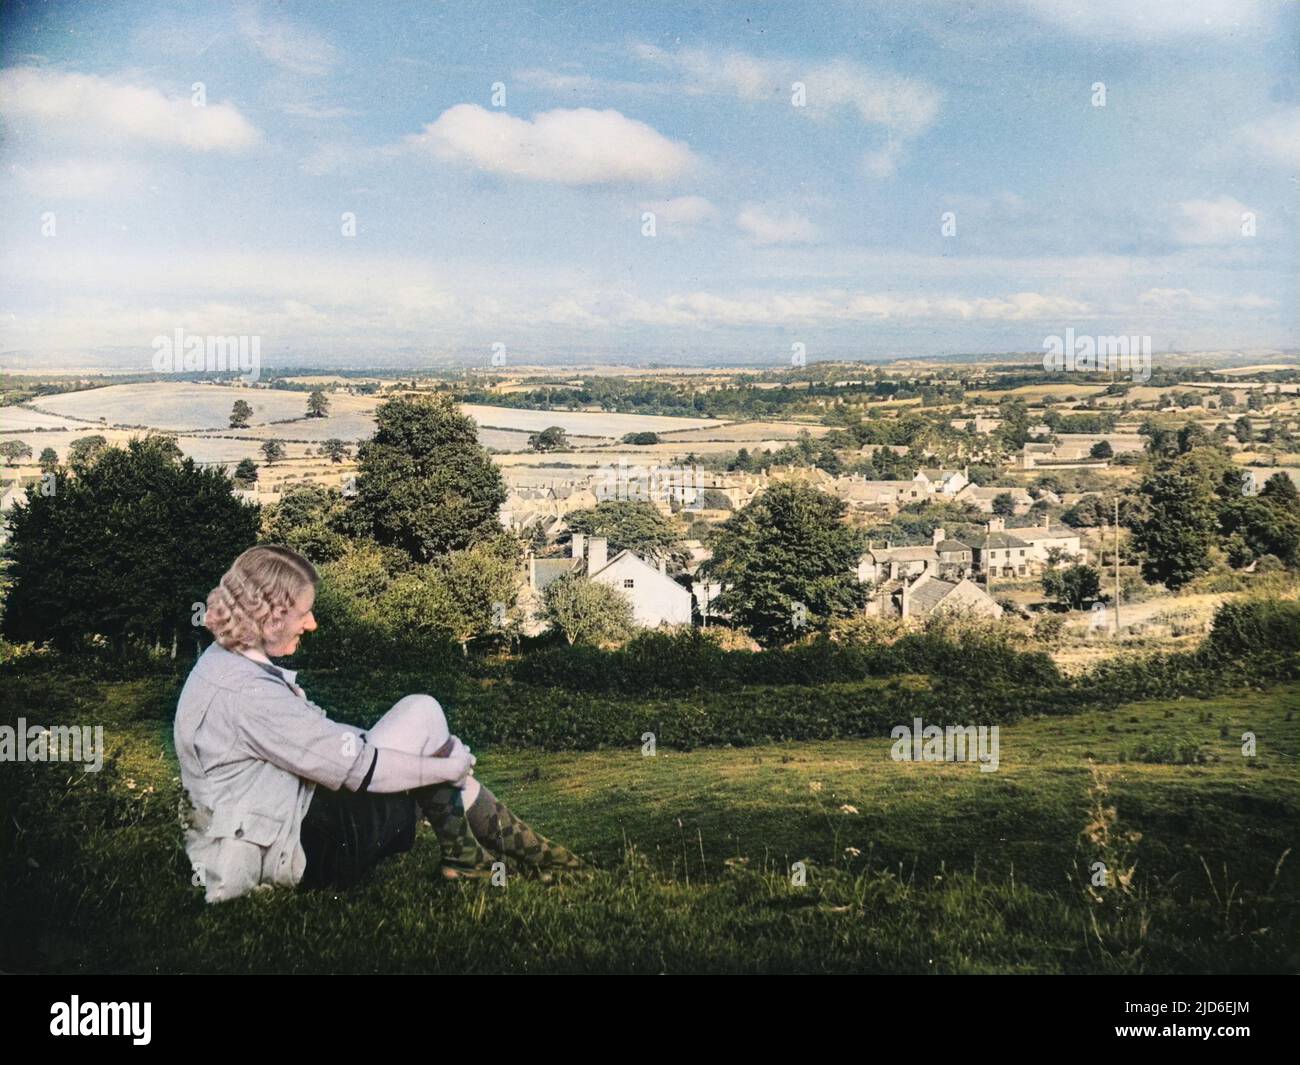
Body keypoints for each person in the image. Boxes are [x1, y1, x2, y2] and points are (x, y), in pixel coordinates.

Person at [174, 544, 584, 904]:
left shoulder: (224, 663)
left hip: (275, 827)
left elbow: (323, 742)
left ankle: (488, 859)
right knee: (423, 719)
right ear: (270, 616)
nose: (311, 624)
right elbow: (360, 769)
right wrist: (449, 767)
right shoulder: (248, 692)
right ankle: (537, 860)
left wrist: (434, 760)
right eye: (303, 612)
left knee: (420, 722)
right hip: (300, 852)